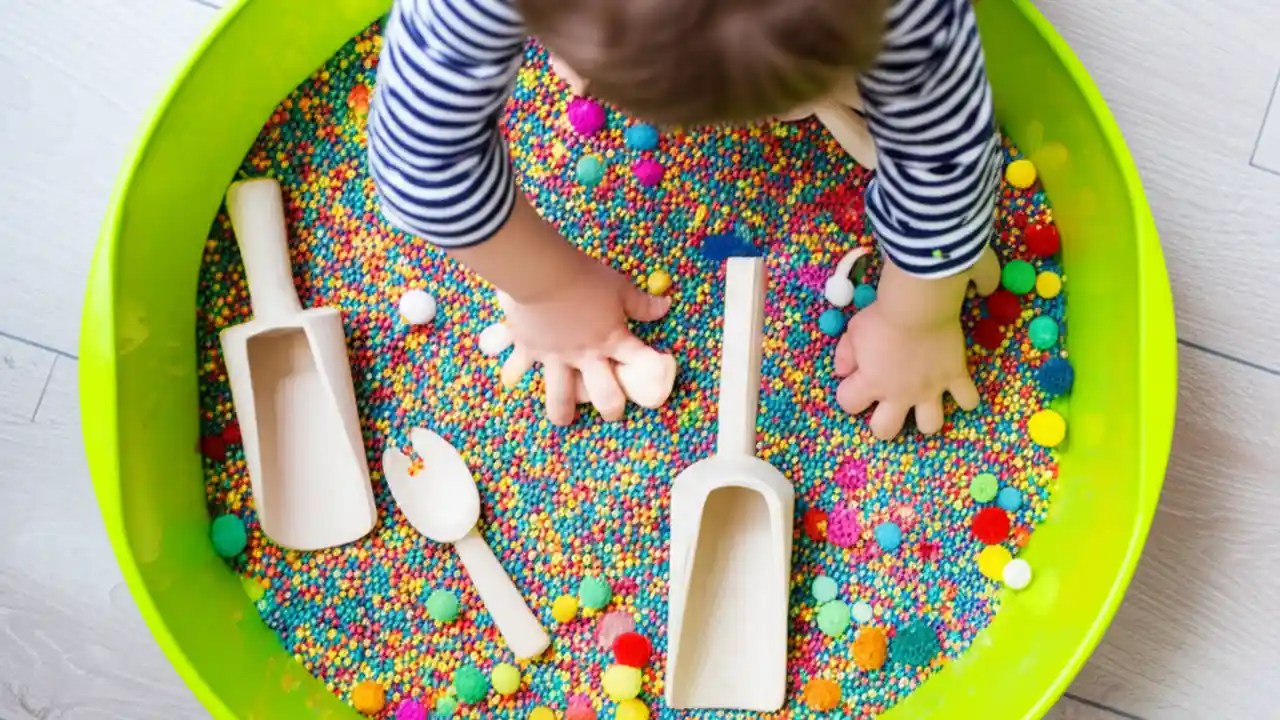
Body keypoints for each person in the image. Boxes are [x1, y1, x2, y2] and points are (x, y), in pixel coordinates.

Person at [367, 0, 1003, 439]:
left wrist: (918, 313)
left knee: (917, 89)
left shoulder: (917, 18)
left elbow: (949, 158)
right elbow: (421, 162)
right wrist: (548, 289)